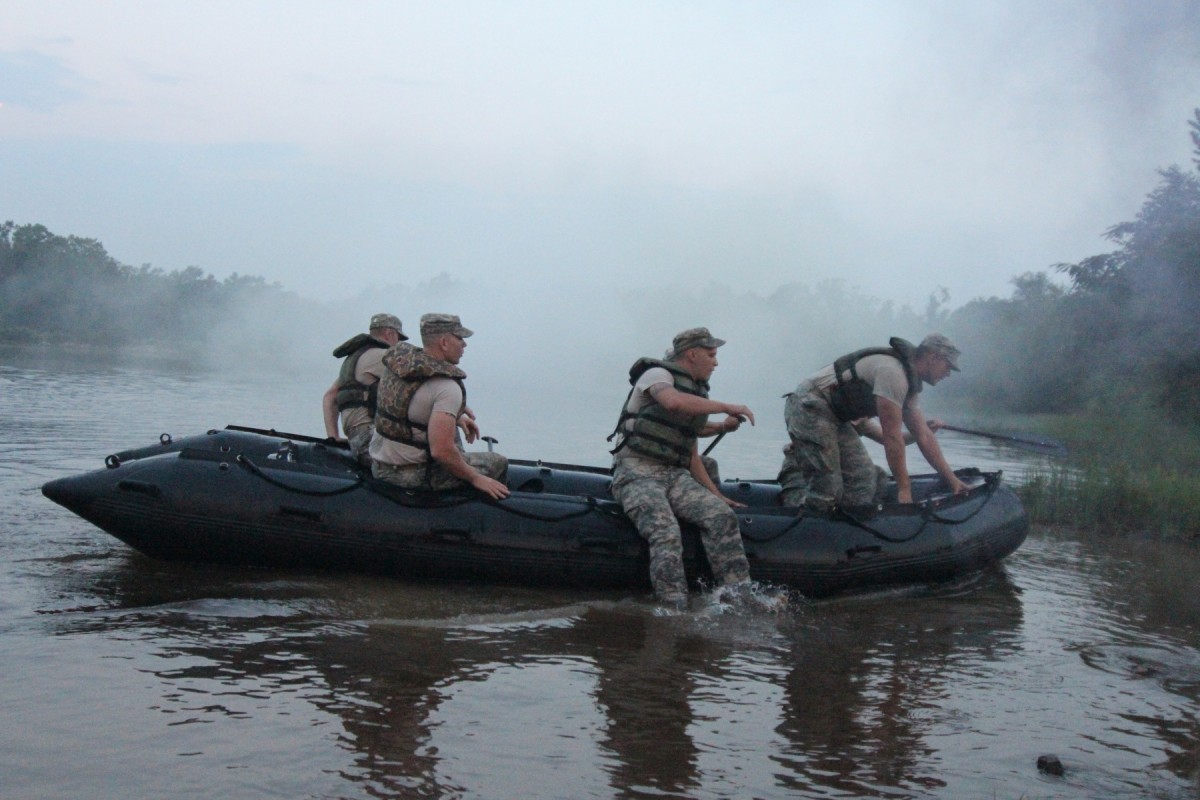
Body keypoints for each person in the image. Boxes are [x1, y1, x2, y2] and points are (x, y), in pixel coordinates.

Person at [607, 327, 757, 610]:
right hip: (636, 473)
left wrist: (717, 496)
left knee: (721, 517)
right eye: (711, 355)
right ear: (692, 354)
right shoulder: (657, 376)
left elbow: (690, 454)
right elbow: (672, 402)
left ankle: (738, 597)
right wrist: (725, 406)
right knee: (666, 532)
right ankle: (673, 606)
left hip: (674, 475)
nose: (716, 362)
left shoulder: (695, 392)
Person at [777, 333, 970, 509]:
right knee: (827, 489)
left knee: (864, 481)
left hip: (835, 417)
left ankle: (841, 526)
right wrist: (904, 490)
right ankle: (795, 478)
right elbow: (892, 439)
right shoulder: (892, 374)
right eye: (948, 366)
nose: (948, 373)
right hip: (810, 405)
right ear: (932, 357)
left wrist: (952, 480)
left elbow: (924, 437)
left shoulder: (909, 388)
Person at [369, 313, 509, 500]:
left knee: (453, 437)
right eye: (460, 339)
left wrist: (458, 419)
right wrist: (476, 478)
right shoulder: (446, 387)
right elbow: (441, 451)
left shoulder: (399, 363)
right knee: (497, 462)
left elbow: (410, 407)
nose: (464, 345)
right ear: (444, 342)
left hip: (379, 465)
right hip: (409, 477)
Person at [322, 313, 408, 464]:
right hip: (369, 439)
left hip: (356, 437)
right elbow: (418, 388)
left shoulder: (356, 358)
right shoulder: (381, 356)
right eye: (398, 338)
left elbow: (330, 396)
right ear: (389, 333)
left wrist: (333, 436)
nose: (398, 343)